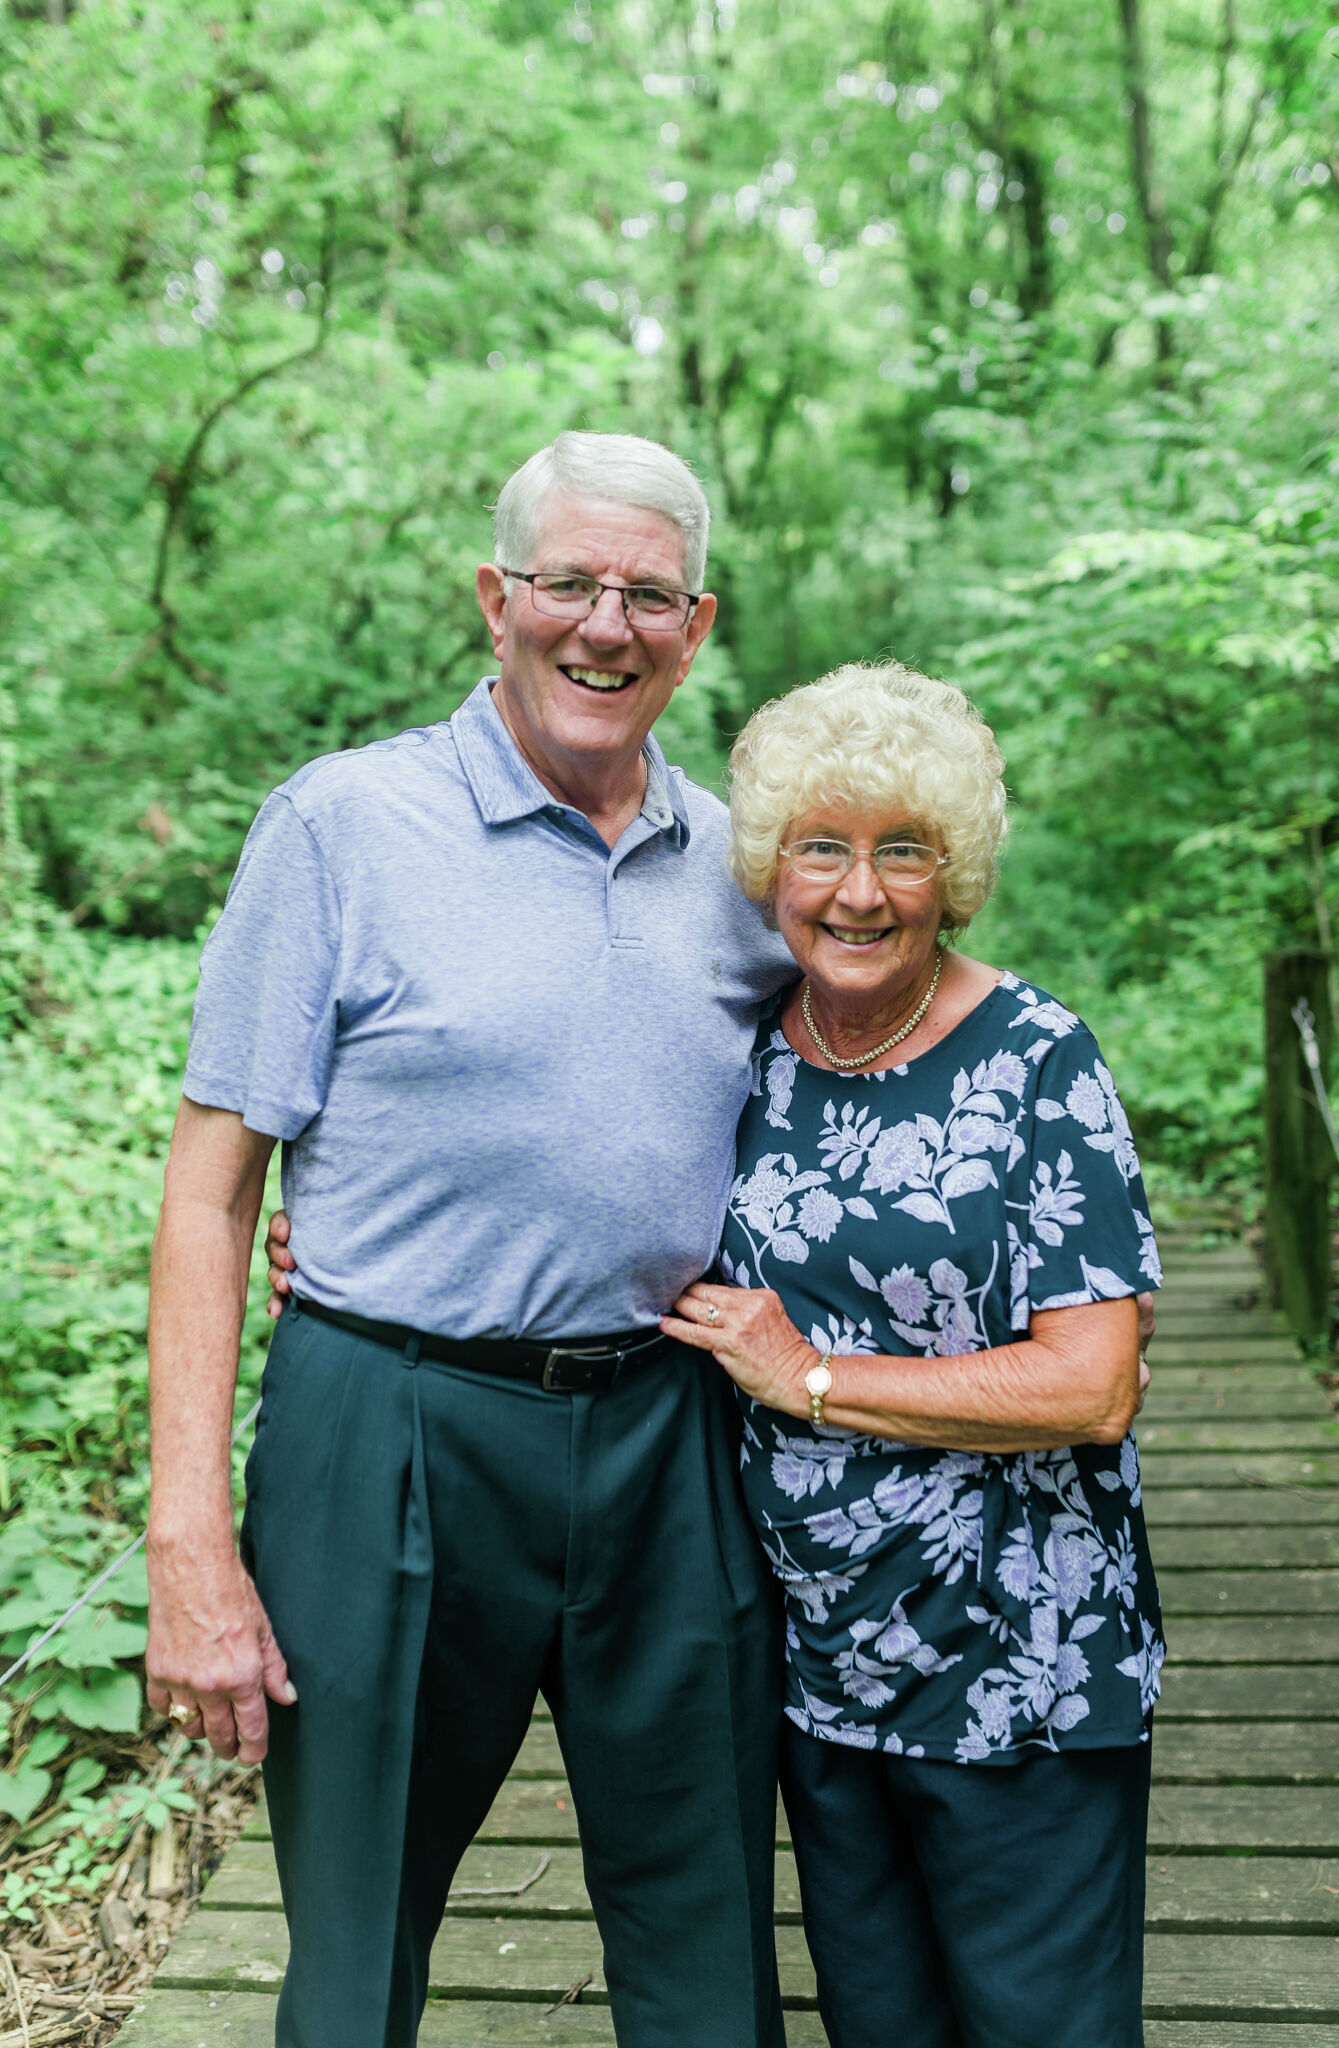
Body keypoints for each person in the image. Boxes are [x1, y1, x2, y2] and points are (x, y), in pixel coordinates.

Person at [144, 432, 795, 2048]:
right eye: (569, 583)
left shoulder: (745, 868)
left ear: (696, 626)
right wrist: (189, 1542)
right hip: (391, 1425)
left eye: (648, 594)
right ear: (496, 600)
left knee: (709, 1929)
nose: (605, 625)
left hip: (667, 1431)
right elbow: (211, 1190)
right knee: (355, 1936)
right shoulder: (342, 826)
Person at [660, 662, 1163, 2048]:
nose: (860, 892)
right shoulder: (745, 1054)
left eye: (905, 850)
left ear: (958, 872)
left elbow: (1093, 1385)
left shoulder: (1036, 1060)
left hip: (1020, 1664)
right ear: (770, 867)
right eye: (821, 848)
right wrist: (333, 1240)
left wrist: (810, 1378)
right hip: (822, 1668)